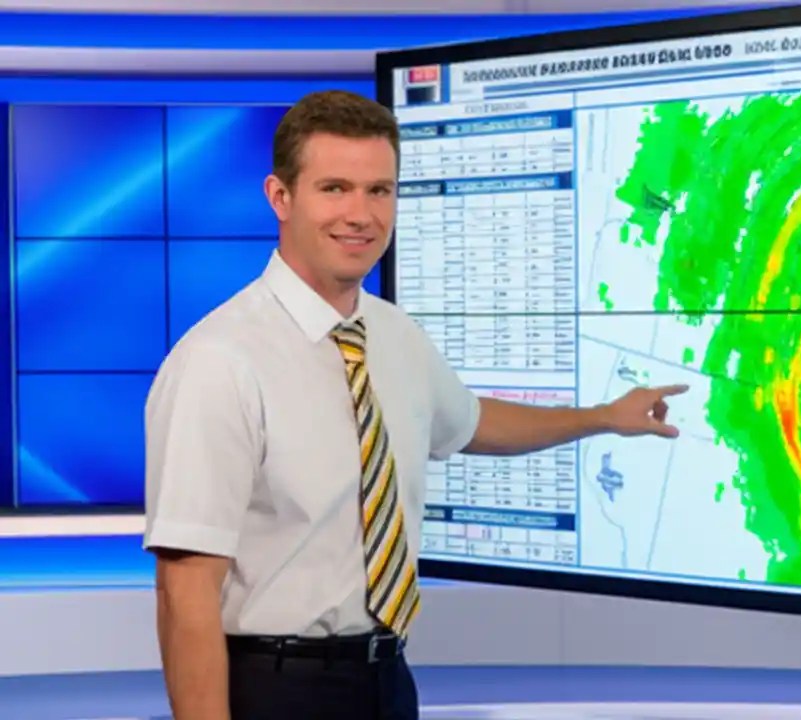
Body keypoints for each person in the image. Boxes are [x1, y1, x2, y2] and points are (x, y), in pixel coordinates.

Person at [142, 89, 686, 720]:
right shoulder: (220, 361)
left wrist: (602, 417)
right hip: (276, 688)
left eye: (380, 191)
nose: (361, 214)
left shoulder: (396, 336)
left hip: (388, 680)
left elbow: (471, 422)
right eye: (335, 188)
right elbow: (184, 593)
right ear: (280, 197)